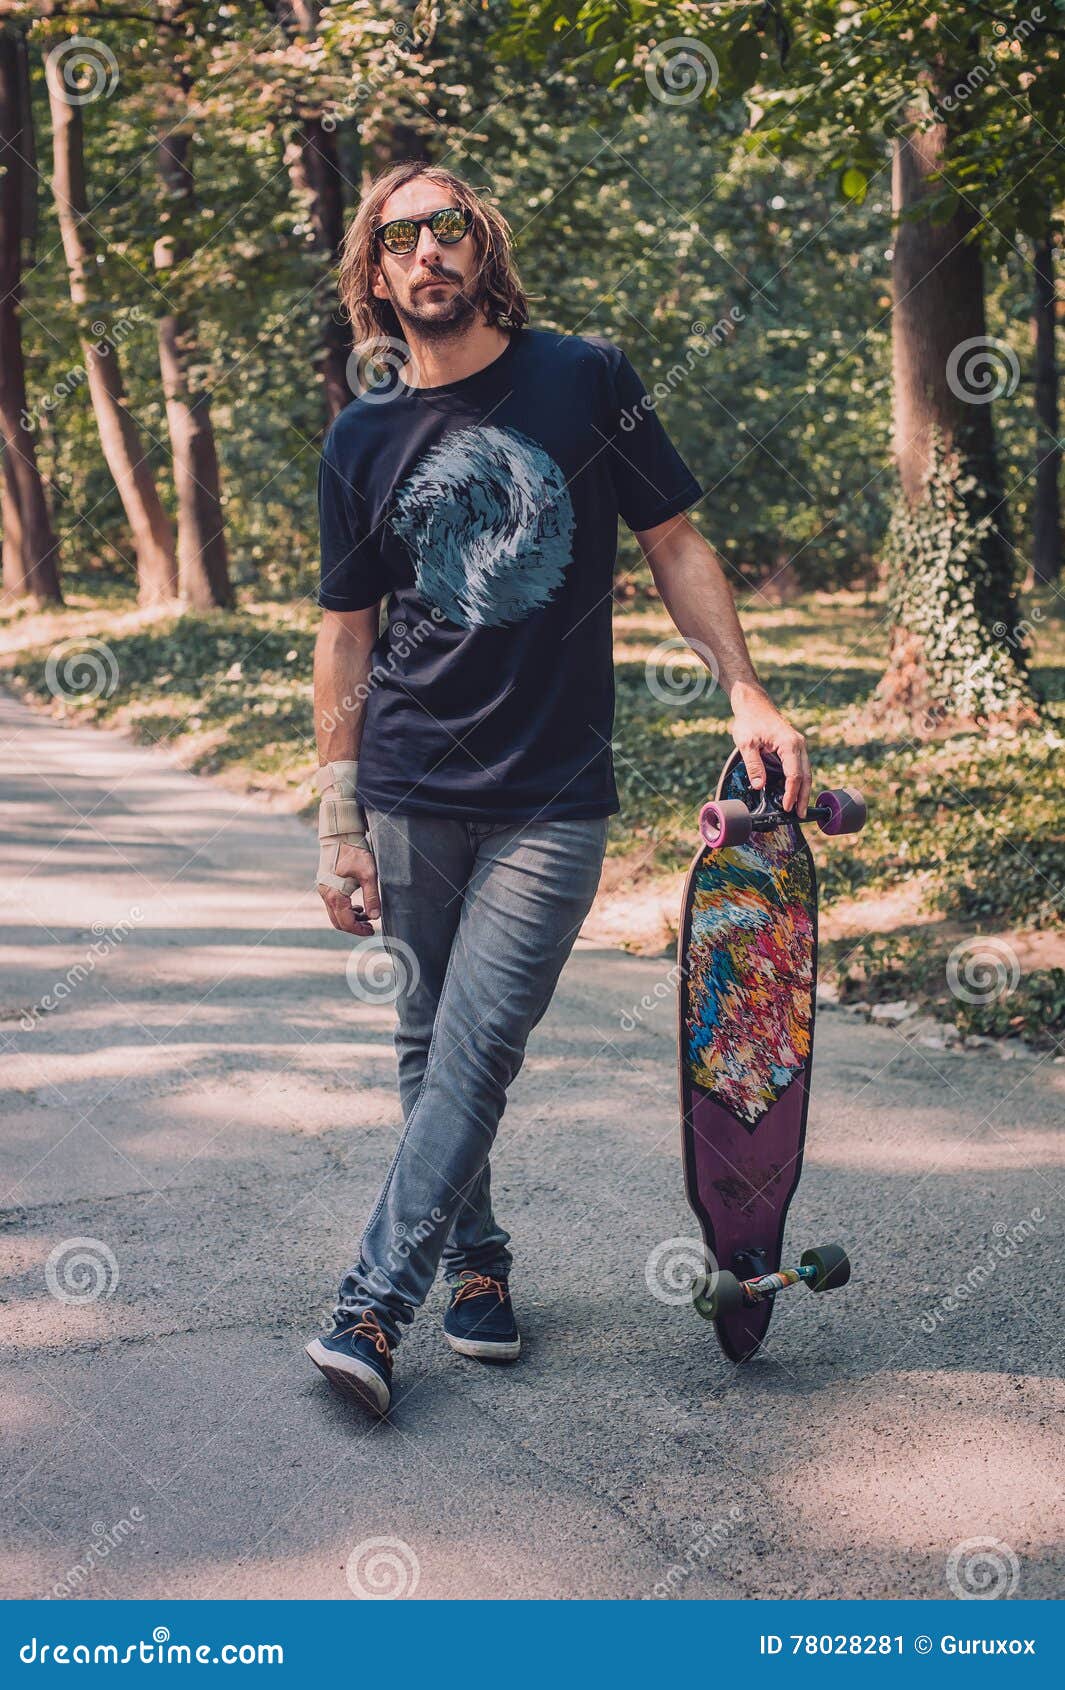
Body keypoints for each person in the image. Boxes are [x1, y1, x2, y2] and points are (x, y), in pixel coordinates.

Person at [305, 161, 811, 1415]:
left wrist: (744, 686)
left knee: (478, 1045)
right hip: (410, 784)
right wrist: (338, 816)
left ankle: (375, 1303)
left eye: (451, 226)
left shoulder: (585, 378)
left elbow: (677, 544)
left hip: (552, 796)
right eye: (400, 235)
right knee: (429, 1050)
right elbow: (346, 636)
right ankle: (479, 1266)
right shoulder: (361, 436)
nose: (429, 250)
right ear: (375, 273)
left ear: (485, 247)